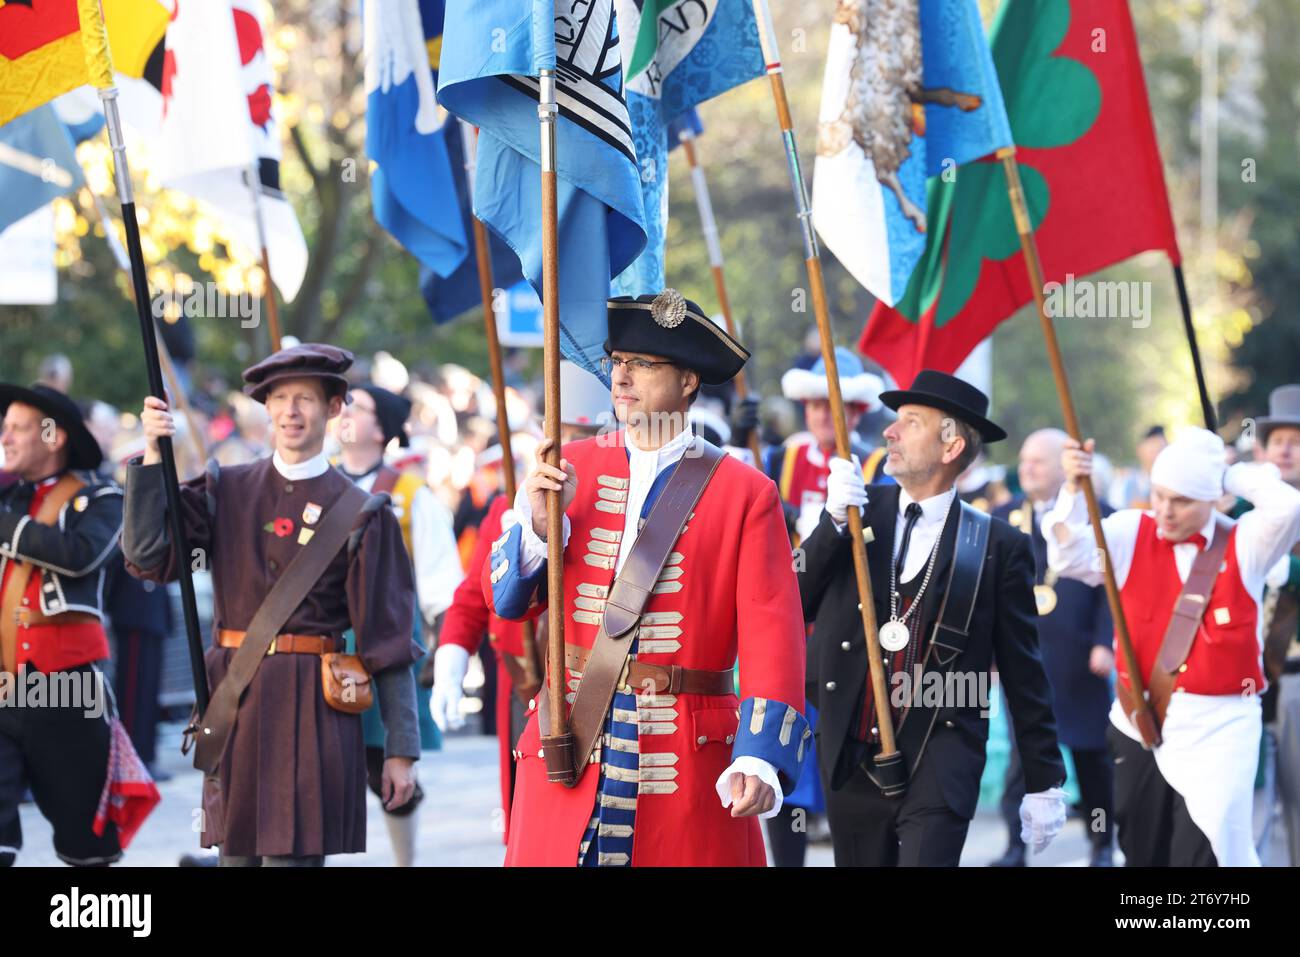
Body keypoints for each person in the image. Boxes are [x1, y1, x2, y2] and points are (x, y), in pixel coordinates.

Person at [487, 290, 809, 866]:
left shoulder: (745, 493)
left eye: (644, 364)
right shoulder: (567, 467)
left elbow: (772, 633)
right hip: (571, 739)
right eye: (617, 362)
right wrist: (536, 529)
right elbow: (511, 603)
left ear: (687, 381)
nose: (622, 376)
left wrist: (760, 755)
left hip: (682, 748)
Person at [122, 343, 422, 866]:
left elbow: (389, 643)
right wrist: (152, 455)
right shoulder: (224, 488)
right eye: (279, 398)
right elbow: (150, 557)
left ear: (333, 410)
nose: (290, 411)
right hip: (233, 702)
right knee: (235, 861)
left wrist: (400, 750)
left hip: (315, 712)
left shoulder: (364, 513)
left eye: (305, 398)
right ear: (265, 409)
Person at [801, 369, 1067, 866]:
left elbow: (1023, 668)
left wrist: (1044, 777)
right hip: (851, 757)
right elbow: (793, 599)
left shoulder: (998, 544)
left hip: (940, 757)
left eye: (911, 422)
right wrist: (831, 524)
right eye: (895, 420)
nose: (890, 432)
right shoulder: (855, 513)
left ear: (951, 448)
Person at [1046, 426, 1300, 865]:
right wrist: (1071, 487)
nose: (1165, 510)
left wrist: (1229, 473)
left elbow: (1288, 504)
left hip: (1220, 728)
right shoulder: (1130, 529)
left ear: (1211, 498)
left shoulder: (1248, 542)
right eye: (1159, 494)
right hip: (1140, 722)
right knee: (1141, 850)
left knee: (1205, 853)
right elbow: (1066, 556)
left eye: (1181, 500)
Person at [431, 361, 609, 842]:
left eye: (587, 432)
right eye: (566, 432)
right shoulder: (514, 506)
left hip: (598, 691)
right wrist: (450, 661)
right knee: (531, 828)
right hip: (526, 692)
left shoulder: (625, 506)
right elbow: (475, 595)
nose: (575, 447)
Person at [0, 382, 129, 866]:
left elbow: (80, 557)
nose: (6, 437)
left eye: (18, 428)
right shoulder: (8, 497)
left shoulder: (100, 498)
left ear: (53, 437)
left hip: (68, 690)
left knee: (86, 847)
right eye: (5, 427)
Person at [336, 381, 462, 866]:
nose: (345, 411)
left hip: (383, 641)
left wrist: (444, 646)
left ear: (382, 429)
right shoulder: (315, 482)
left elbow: (438, 578)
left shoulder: (411, 494)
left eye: (358, 406)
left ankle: (403, 862)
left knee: (384, 763)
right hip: (325, 638)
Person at [990, 429, 1115, 867]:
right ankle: (1014, 846)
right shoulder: (1003, 518)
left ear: (1061, 467)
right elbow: (987, 593)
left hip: (1081, 659)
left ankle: (1102, 844)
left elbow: (1112, 592)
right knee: (1021, 766)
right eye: (1023, 461)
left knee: (1092, 761)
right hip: (1023, 659)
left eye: (1036, 461)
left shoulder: (1100, 517)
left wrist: (1105, 642)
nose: (1026, 469)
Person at [774, 347, 888, 545]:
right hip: (790, 573)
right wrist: (787, 517)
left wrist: (852, 531)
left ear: (856, 413)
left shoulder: (879, 466)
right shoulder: (782, 458)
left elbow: (881, 536)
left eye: (833, 407)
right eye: (816, 406)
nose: (822, 416)